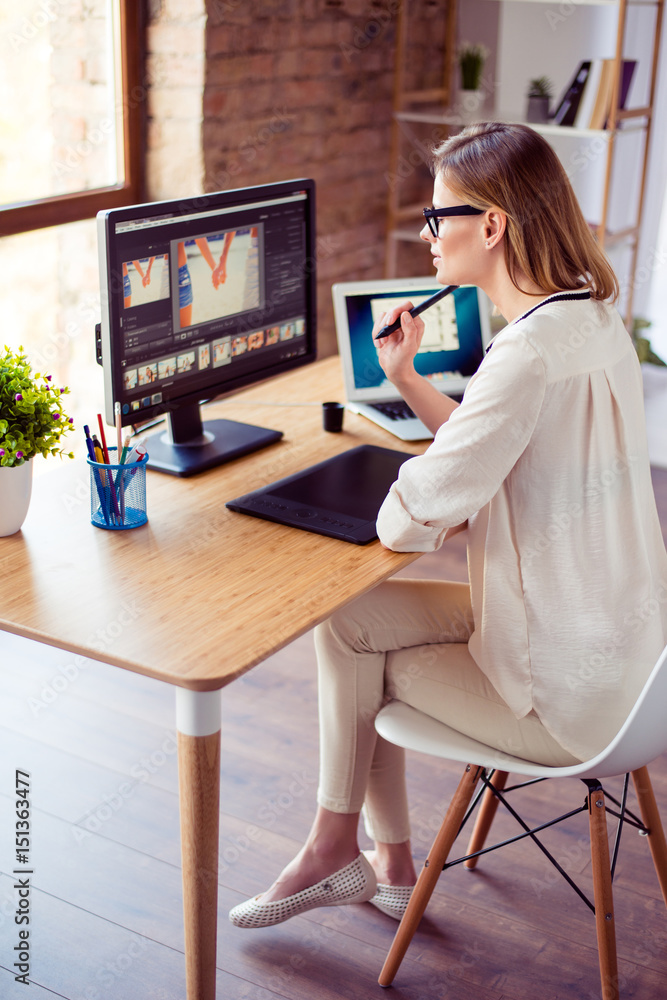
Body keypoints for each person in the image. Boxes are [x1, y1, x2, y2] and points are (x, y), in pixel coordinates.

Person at [229, 122, 667, 929]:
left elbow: (412, 518)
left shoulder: (523, 354)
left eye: (438, 217)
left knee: (359, 664)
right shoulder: (590, 315)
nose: (427, 235)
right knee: (350, 621)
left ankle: (337, 851)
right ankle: (382, 864)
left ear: (490, 225)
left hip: (565, 697)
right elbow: (493, 443)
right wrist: (406, 378)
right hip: (623, 658)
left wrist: (399, 483)